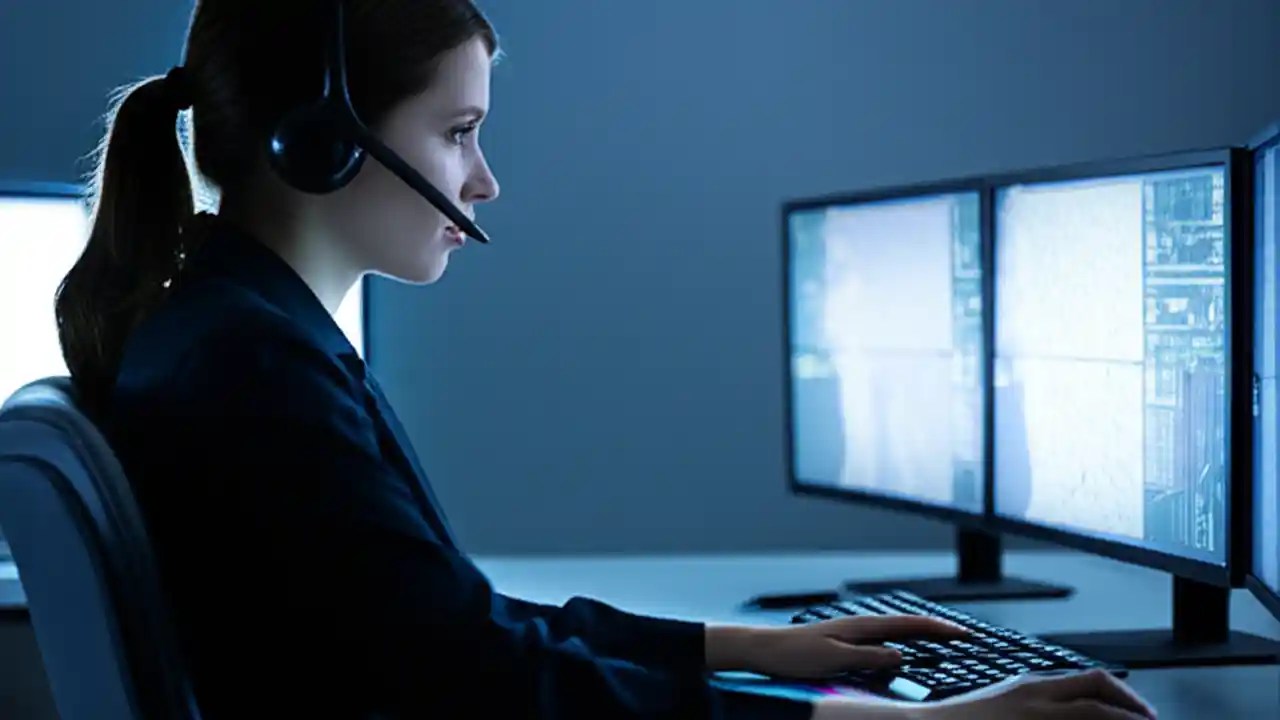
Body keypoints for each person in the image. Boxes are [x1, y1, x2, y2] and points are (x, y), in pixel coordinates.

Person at [53, 1, 1158, 719]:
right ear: (323, 141)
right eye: (456, 132)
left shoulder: (238, 333)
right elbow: (471, 684)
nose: (482, 181)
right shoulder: (252, 369)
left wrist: (756, 649)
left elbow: (442, 629)